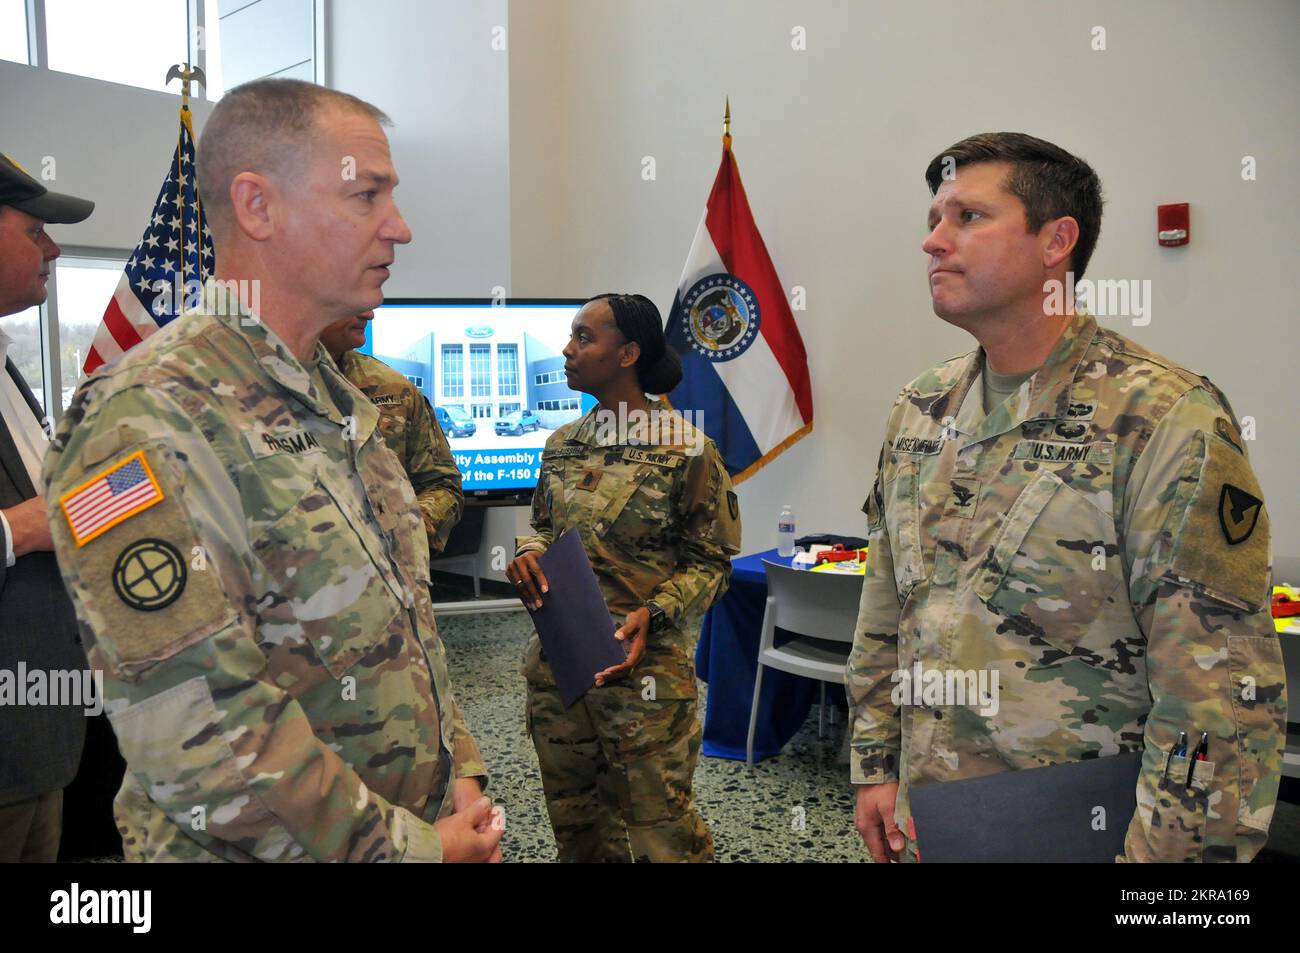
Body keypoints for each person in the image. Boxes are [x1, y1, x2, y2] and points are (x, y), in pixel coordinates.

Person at [43, 79, 501, 863]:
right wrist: (415, 851)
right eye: (367, 196)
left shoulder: (337, 403)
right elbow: (201, 740)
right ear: (257, 206)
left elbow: (407, 626)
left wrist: (460, 769)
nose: (401, 228)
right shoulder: (143, 416)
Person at [847, 132, 1286, 863]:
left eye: (968, 217)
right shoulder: (921, 406)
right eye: (933, 219)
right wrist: (874, 766)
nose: (934, 241)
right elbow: (888, 602)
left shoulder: (1163, 415)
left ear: (1057, 242)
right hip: (936, 815)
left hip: (1085, 832)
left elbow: (1218, 698)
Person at [508, 293, 741, 862]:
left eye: (585, 337)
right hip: (562, 668)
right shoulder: (562, 446)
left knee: (663, 834)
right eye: (571, 335)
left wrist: (652, 614)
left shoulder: (688, 449)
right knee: (578, 827)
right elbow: (542, 526)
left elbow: (712, 563)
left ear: (628, 353)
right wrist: (527, 554)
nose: (567, 350)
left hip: (646, 680)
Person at [0, 152, 94, 862]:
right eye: (36, 231)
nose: (54, 249)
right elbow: (29, 523)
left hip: (37, 741)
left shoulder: (4, 363)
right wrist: (12, 531)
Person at [320, 310, 463, 556]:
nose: (368, 313)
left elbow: (441, 485)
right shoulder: (247, 387)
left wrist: (403, 533)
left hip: (388, 578)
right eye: (351, 301)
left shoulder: (394, 389)